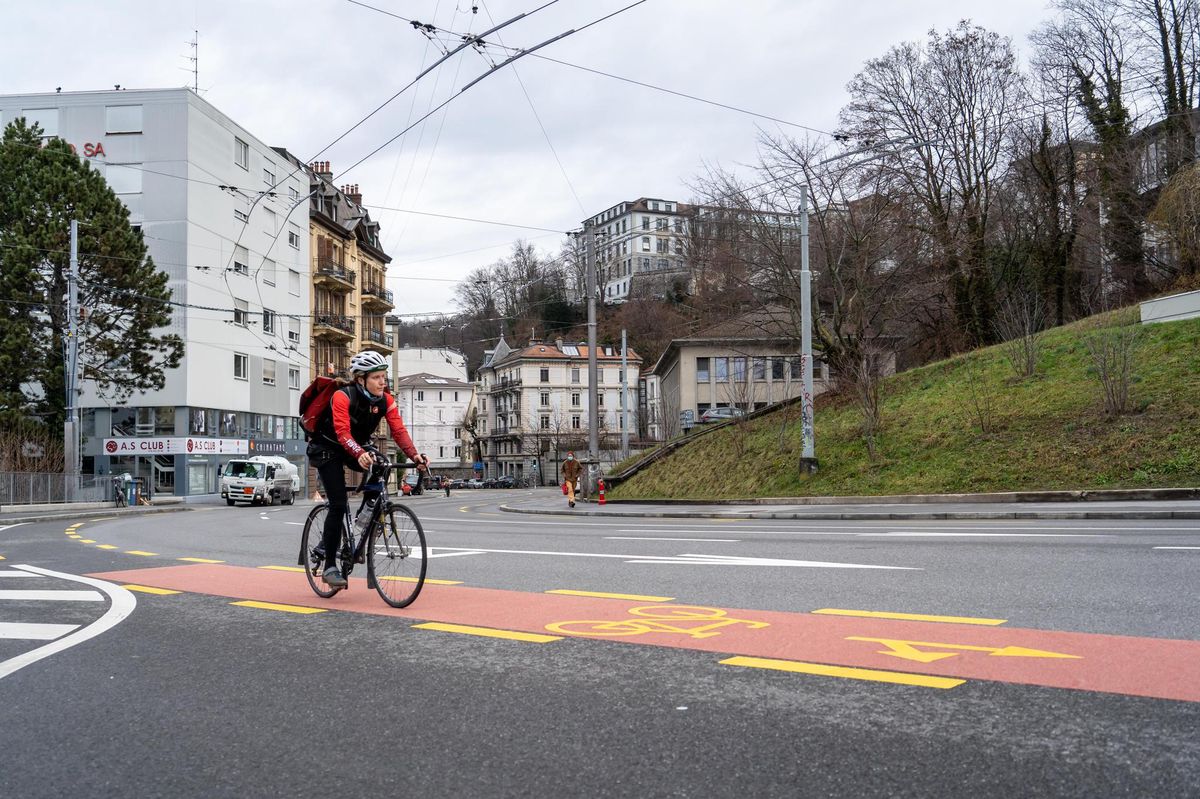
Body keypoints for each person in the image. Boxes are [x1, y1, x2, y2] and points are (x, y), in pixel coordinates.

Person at [307, 350, 427, 588]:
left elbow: (398, 431)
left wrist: (414, 455)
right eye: (376, 377)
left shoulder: (386, 400)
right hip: (328, 448)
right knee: (338, 504)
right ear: (361, 379)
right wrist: (359, 453)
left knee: (380, 464)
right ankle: (330, 566)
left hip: (356, 446)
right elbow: (342, 433)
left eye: (384, 376)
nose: (382, 382)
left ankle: (363, 520)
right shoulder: (342, 396)